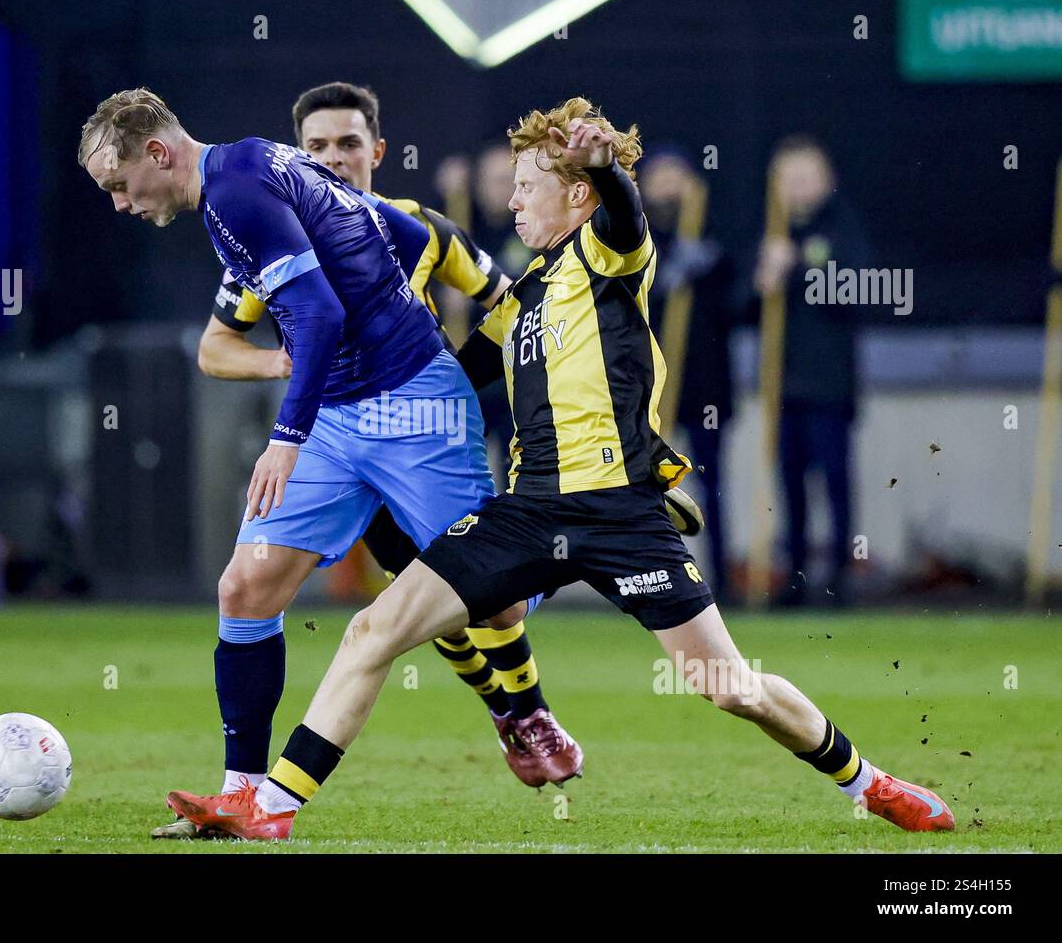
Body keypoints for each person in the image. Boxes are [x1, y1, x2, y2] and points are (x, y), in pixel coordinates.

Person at [163, 98, 955, 841]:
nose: (511, 203)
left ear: (576, 198)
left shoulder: (610, 257)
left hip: (620, 516)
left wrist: (605, 166)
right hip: (532, 513)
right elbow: (453, 370)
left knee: (729, 688)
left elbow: (625, 213)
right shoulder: (523, 293)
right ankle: (271, 806)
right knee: (373, 629)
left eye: (528, 188)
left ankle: (869, 783)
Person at [76, 87, 582, 835]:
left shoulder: (235, 194)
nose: (119, 205)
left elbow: (321, 312)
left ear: (157, 153)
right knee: (245, 588)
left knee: (498, 602)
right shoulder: (251, 168)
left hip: (412, 403)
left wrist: (286, 436)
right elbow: (370, 243)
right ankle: (242, 793)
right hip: (342, 418)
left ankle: (583, 542)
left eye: (119, 186)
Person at [753, 136, 869, 605]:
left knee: (835, 481)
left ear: (826, 181)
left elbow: (857, 289)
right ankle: (795, 576)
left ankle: (840, 576)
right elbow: (743, 305)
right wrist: (761, 279)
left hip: (829, 385)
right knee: (791, 484)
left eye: (806, 178)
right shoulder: (771, 235)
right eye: (788, 180)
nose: (797, 188)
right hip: (782, 385)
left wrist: (797, 267)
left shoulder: (841, 229)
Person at [640, 149, 737, 599]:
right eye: (659, 178)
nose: (668, 187)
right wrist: (662, 280)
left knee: (711, 479)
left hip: (705, 386)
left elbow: (742, 306)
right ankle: (654, 579)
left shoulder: (713, 235)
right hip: (650, 386)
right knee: (649, 487)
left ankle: (721, 577)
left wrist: (714, 268)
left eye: (675, 177)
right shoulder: (635, 236)